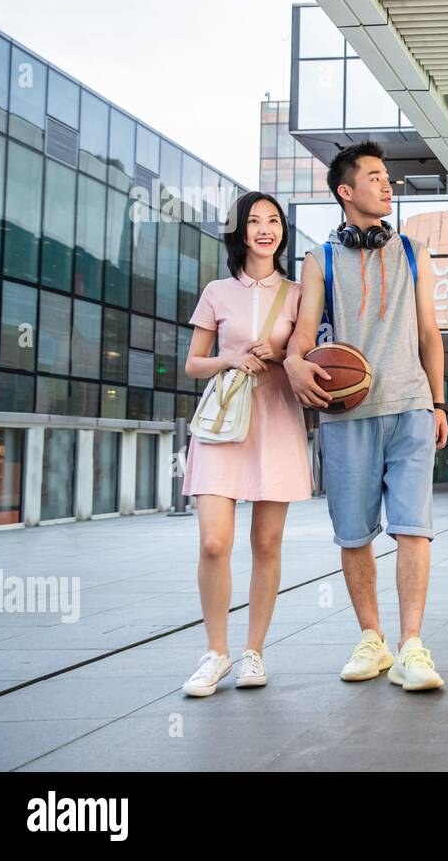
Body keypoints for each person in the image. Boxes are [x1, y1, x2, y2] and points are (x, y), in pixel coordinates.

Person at [283, 141, 448, 691]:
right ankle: (371, 639)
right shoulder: (319, 260)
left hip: (411, 406)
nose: (387, 186)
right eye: (375, 177)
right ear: (345, 191)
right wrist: (294, 361)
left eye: (389, 179)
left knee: (413, 527)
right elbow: (305, 335)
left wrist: (440, 400)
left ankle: (412, 647)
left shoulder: (413, 253)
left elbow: (429, 333)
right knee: (353, 535)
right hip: (345, 412)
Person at [181, 193, 311, 697]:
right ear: (239, 231)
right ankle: (215, 653)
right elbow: (194, 362)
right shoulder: (217, 291)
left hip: (276, 421)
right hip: (222, 425)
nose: (264, 229)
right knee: (214, 542)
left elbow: (306, 352)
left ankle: (253, 652)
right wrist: (230, 360)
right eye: (254, 221)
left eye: (273, 221)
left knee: (267, 543)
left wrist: (278, 353)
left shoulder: (298, 293)